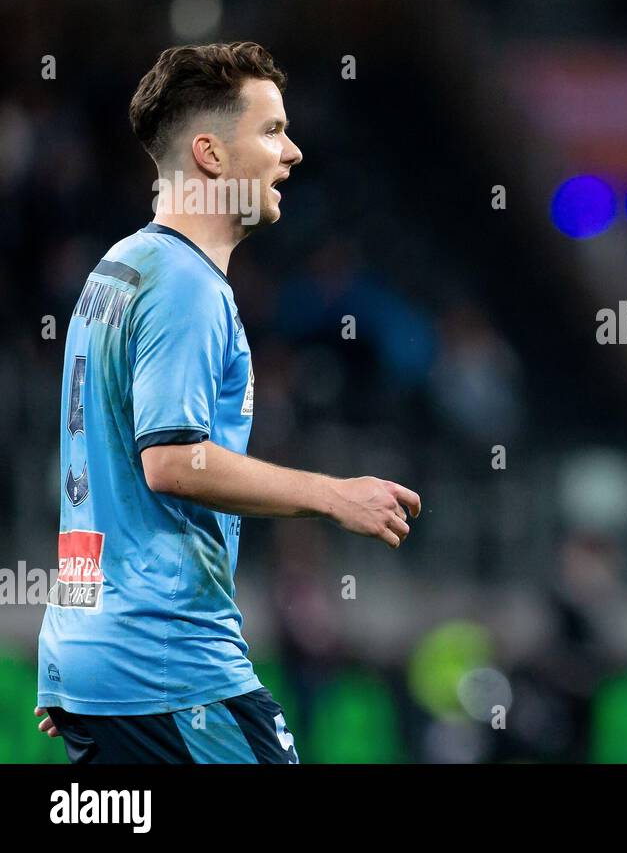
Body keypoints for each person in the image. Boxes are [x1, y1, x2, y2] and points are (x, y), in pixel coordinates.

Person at [34, 42, 422, 763]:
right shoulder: (186, 285)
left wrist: (79, 640)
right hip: (172, 662)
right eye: (272, 130)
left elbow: (93, 472)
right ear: (211, 154)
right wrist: (334, 496)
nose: (293, 153)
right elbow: (171, 464)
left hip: (101, 656)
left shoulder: (116, 269)